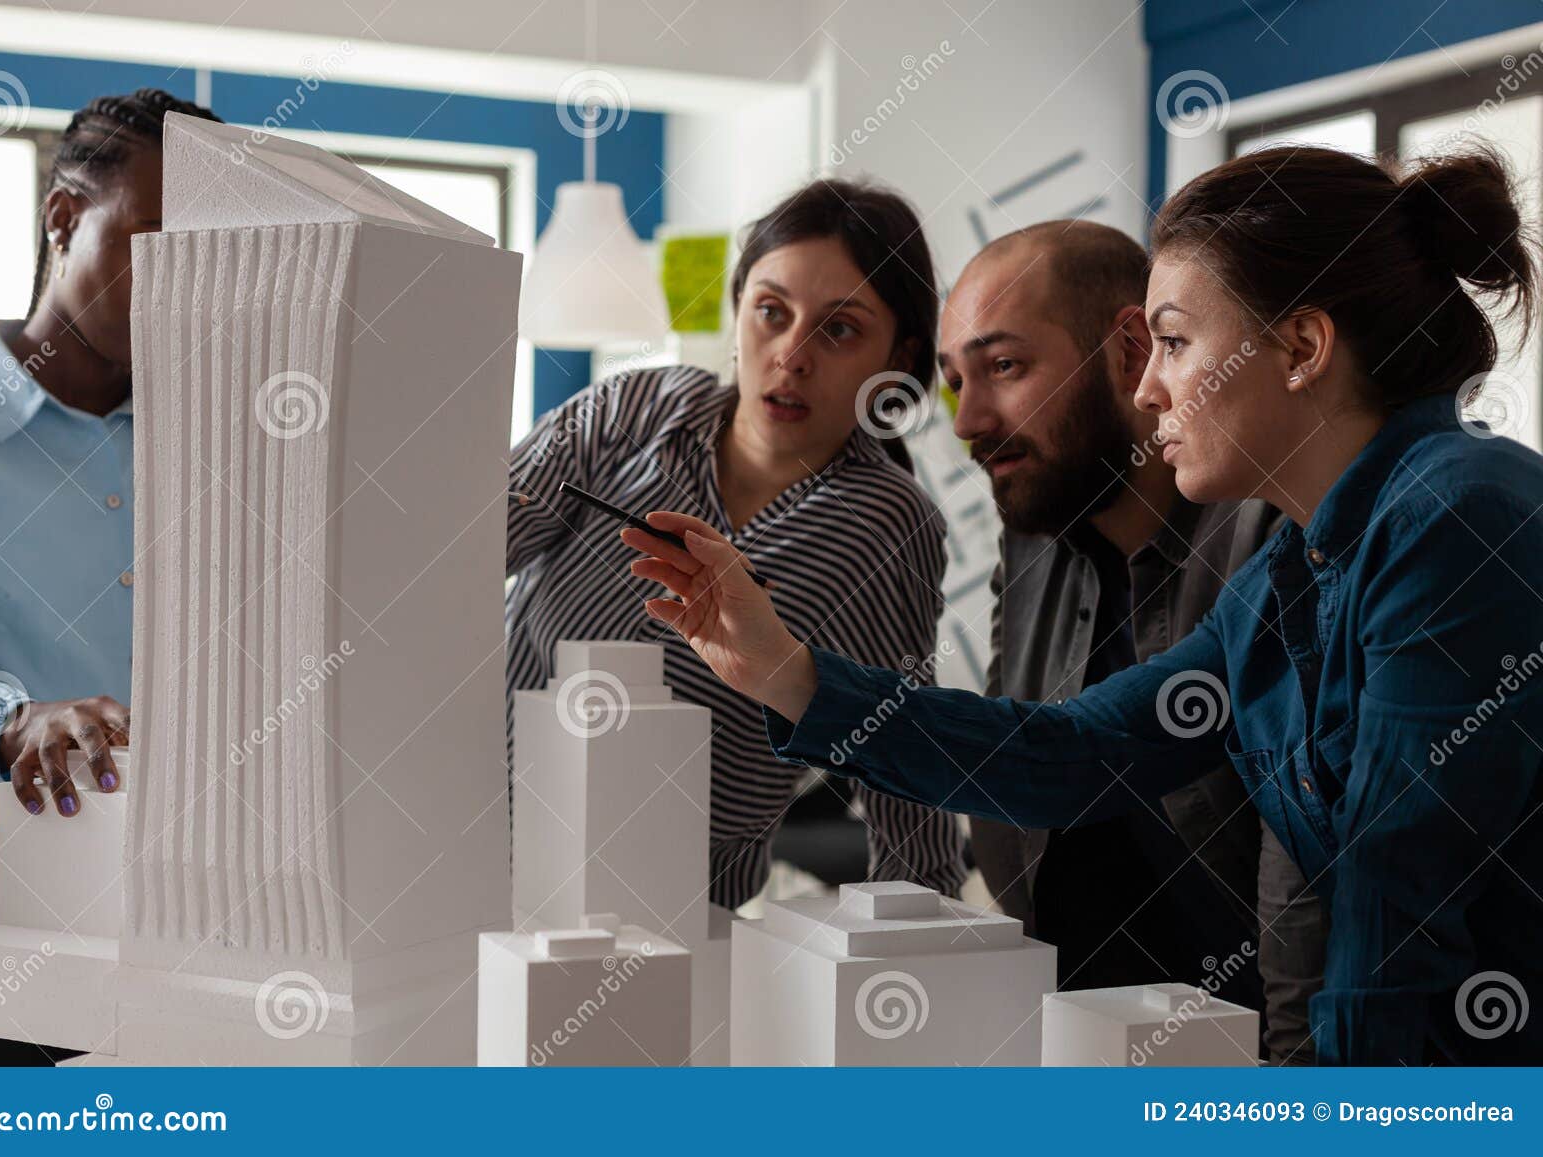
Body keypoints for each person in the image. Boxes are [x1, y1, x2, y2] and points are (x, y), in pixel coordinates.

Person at [626, 145, 1543, 1065]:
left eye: (1175, 343)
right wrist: (788, 673)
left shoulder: (1456, 516)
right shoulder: (1290, 574)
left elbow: (1394, 927)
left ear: (1301, 348)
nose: (1149, 388)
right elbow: (1074, 752)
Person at [507, 178, 966, 912]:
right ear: (738, 306)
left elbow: (898, 746)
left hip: (682, 913)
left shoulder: (884, 526)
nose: (791, 356)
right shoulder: (632, 409)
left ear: (900, 351)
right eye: (771, 312)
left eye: (840, 330)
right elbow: (460, 548)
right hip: (481, 846)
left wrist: (920, 938)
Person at [942, 218, 1324, 1061]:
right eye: (953, 381)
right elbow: (1011, 772)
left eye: (1003, 367)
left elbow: (1310, 881)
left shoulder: (1275, 532)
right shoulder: (1033, 532)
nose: (968, 419)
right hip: (1080, 1035)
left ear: (1129, 352)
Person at [0, 89, 220, 1063]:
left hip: (185, 904)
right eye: (157, 242)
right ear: (63, 217)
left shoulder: (210, 451)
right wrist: (9, 723)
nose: (182, 285)